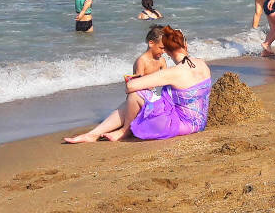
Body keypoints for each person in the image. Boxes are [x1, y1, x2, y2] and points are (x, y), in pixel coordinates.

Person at [64, 26, 210, 143]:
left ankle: (124, 131)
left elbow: (130, 87)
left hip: (180, 125)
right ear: (186, 44)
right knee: (139, 99)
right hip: (200, 122)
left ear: (166, 51)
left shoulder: (174, 72)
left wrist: (138, 80)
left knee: (135, 94)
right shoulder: (202, 64)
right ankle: (93, 134)